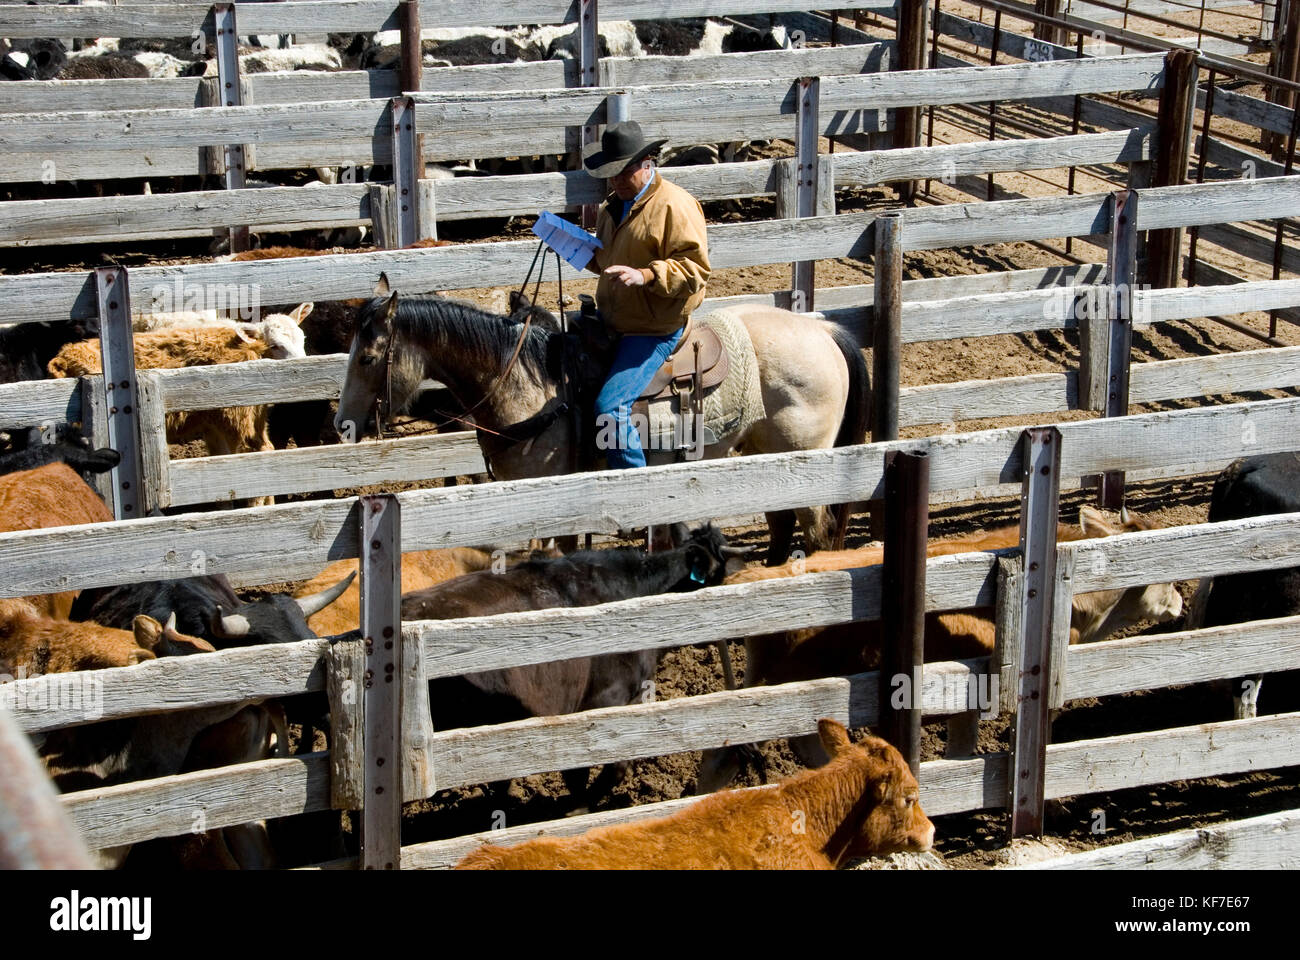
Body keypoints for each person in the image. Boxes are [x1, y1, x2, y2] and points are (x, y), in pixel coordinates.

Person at [582, 121, 711, 469]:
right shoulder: (614, 207)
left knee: (610, 408)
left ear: (647, 163)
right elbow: (612, 262)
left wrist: (648, 275)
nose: (618, 181)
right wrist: (579, 251)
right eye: (611, 174)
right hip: (615, 319)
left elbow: (695, 270)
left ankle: (637, 497)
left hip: (653, 328)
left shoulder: (676, 206)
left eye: (624, 172)